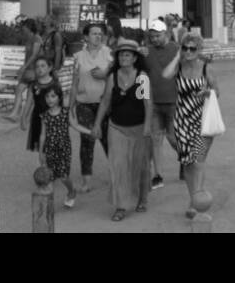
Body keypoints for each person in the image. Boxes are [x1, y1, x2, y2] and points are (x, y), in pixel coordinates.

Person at [94, 39, 154, 221]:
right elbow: (105, 101)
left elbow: (148, 103)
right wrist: (97, 123)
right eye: (121, 54)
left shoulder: (142, 77)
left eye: (127, 54)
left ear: (135, 58)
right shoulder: (113, 76)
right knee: (118, 167)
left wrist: (147, 126)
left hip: (138, 128)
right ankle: (121, 206)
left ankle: (142, 198)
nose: (123, 57)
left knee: (140, 166)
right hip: (116, 127)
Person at [162, 33, 220, 218]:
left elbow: (217, 92)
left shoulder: (206, 68)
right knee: (187, 163)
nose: (188, 51)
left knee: (199, 161)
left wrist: (207, 92)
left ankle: (198, 199)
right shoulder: (178, 67)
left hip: (203, 121)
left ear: (199, 50)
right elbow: (165, 75)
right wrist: (177, 56)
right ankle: (193, 198)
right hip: (182, 121)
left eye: (192, 48)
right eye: (185, 47)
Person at [69, 22, 112, 192]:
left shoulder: (108, 54)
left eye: (100, 33)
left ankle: (116, 174)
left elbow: (116, 74)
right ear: (86, 37)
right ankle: (86, 180)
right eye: (94, 33)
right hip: (84, 104)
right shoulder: (78, 56)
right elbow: (74, 83)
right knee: (87, 142)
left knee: (108, 140)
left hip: (105, 104)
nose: (98, 36)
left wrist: (106, 73)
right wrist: (70, 106)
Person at [140, 18, 180, 190]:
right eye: (152, 36)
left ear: (166, 34)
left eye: (157, 36)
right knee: (156, 139)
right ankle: (158, 175)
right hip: (154, 103)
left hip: (173, 102)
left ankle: (185, 160)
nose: (154, 39)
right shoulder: (146, 52)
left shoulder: (176, 49)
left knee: (172, 138)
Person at [38, 84, 89, 209]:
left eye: (53, 96)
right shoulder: (44, 116)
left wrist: (90, 132)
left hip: (64, 149)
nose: (50, 99)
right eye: (47, 96)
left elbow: (76, 125)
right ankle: (48, 206)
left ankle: (71, 191)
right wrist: (41, 152)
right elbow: (42, 135)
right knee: (49, 177)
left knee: (63, 176)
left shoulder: (65, 112)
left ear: (59, 97)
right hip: (50, 149)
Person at [25, 56, 59, 152]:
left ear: (50, 68)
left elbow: (60, 102)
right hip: (37, 118)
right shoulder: (33, 85)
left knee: (51, 146)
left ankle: (50, 165)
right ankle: (44, 165)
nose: (40, 69)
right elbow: (29, 102)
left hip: (52, 118)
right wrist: (24, 117)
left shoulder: (55, 84)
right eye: (37, 66)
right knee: (41, 146)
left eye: (43, 66)